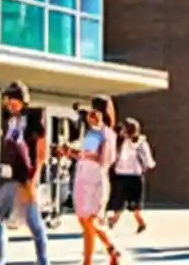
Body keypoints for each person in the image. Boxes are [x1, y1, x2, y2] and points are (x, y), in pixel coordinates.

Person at [0, 81, 49, 265]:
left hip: (26, 176)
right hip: (8, 175)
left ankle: (43, 261)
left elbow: (40, 154)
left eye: (14, 99)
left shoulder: (34, 119)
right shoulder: (9, 121)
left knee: (34, 222)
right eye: (8, 99)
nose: (10, 103)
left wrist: (33, 180)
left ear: (23, 101)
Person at [72, 96, 120, 264]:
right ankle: (111, 249)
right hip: (92, 177)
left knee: (88, 220)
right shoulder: (104, 132)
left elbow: (95, 155)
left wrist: (73, 153)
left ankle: (89, 260)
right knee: (88, 220)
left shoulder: (99, 132)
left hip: (91, 178)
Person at [108, 118, 155, 233]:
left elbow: (149, 161)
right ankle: (114, 221)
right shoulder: (119, 142)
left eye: (129, 129)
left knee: (134, 203)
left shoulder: (141, 144)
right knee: (119, 201)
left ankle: (139, 222)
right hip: (120, 176)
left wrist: (146, 164)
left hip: (134, 177)